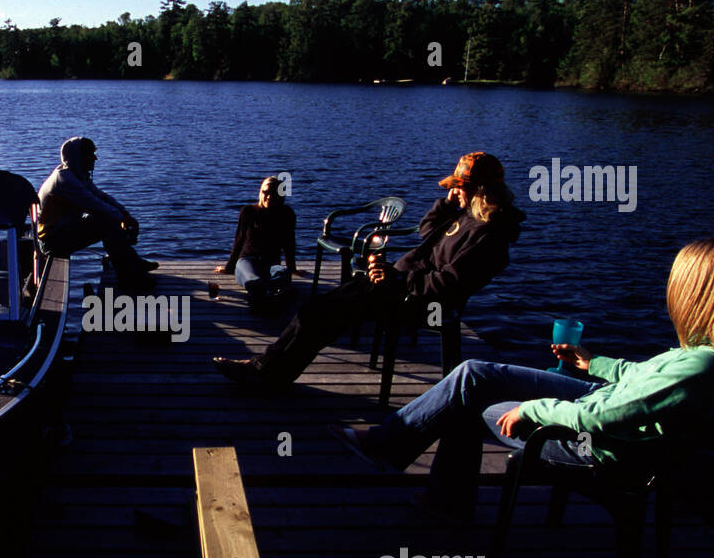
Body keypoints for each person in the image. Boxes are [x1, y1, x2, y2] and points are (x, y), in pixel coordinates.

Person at [329, 235, 714, 524]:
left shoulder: (702, 367)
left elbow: (598, 418)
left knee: (467, 403)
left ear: (697, 296)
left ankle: (438, 496)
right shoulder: (713, 358)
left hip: (600, 446)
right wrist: (594, 363)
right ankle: (395, 449)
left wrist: (533, 409)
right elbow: (642, 380)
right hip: (607, 408)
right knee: (472, 374)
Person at [212, 151, 525, 385]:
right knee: (315, 308)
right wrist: (447, 203)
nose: (454, 191)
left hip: (417, 300)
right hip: (396, 283)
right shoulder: (466, 214)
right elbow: (428, 233)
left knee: (320, 315)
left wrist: (400, 278)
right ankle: (267, 370)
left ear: (482, 190)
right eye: (453, 186)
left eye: (461, 187)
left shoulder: (489, 236)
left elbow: (451, 283)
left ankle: (266, 374)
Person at [37, 137, 157, 290]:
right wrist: (122, 219)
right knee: (107, 221)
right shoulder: (65, 181)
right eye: (90, 154)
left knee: (109, 218)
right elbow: (96, 206)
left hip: (64, 230)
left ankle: (132, 262)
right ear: (78, 157)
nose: (95, 158)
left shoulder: (75, 175)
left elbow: (101, 197)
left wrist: (125, 213)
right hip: (52, 241)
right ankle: (129, 277)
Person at [214, 176, 301, 310]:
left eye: (274, 193)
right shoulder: (248, 211)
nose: (269, 197)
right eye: (266, 192)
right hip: (247, 260)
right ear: (260, 193)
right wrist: (229, 267)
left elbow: (289, 243)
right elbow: (239, 240)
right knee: (252, 279)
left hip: (271, 262)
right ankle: (265, 296)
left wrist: (292, 268)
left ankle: (268, 297)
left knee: (282, 275)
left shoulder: (286, 213)